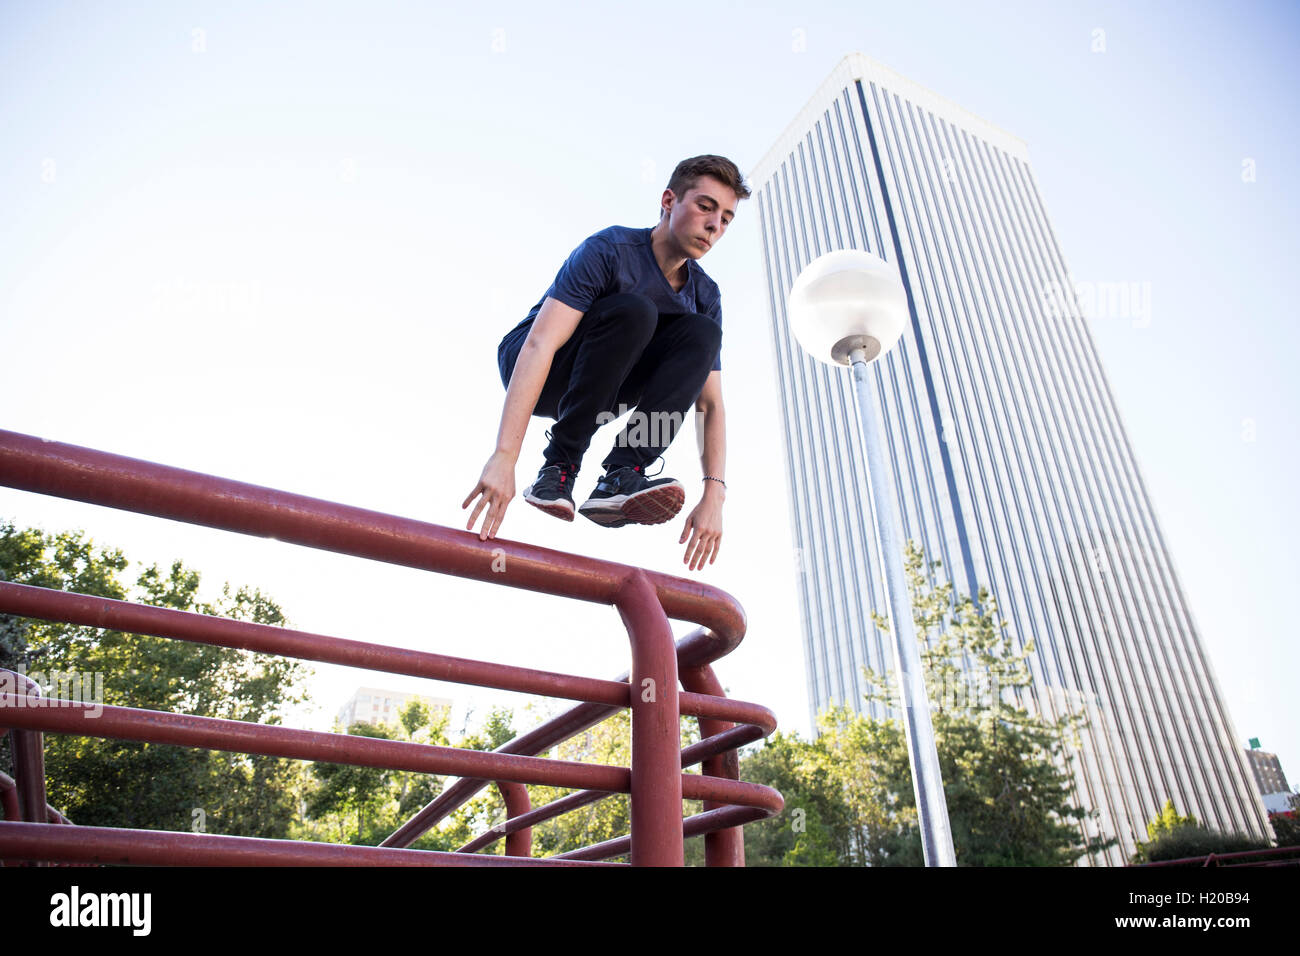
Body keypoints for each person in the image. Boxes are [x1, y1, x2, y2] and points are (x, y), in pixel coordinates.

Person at [462, 155, 749, 571]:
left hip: (606, 390)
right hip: (540, 366)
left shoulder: (705, 296)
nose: (714, 226)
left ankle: (622, 473)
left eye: (726, 219)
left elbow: (711, 405)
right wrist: (505, 455)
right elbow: (541, 344)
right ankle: (559, 466)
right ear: (669, 200)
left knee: (702, 334)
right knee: (637, 311)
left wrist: (715, 496)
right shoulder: (611, 250)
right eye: (705, 207)